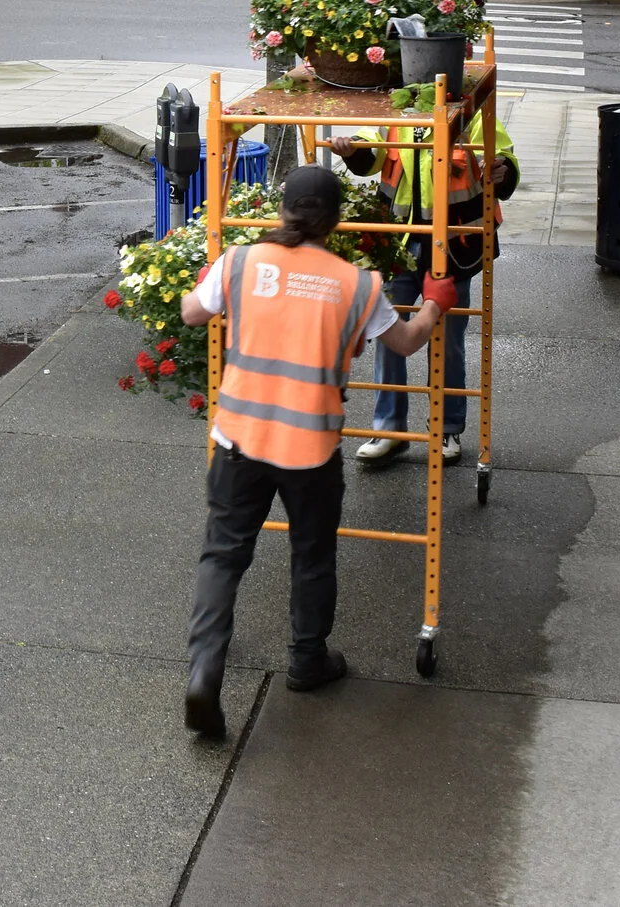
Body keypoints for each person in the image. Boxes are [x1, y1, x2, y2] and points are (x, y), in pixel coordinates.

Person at [177, 165, 448, 736]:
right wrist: (433, 304)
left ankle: (204, 672)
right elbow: (405, 343)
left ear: (283, 210)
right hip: (311, 450)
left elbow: (192, 313)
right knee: (312, 555)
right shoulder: (357, 285)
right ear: (336, 220)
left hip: (238, 440)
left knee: (223, 556)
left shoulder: (241, 262)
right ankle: (307, 660)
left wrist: (202, 283)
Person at [327, 109, 518, 466]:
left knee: (449, 344)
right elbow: (371, 151)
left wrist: (502, 168)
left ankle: (447, 429)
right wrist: (352, 149)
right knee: (387, 334)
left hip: (454, 246)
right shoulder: (396, 111)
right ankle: (389, 430)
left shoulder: (472, 113)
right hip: (398, 243)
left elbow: (504, 158)